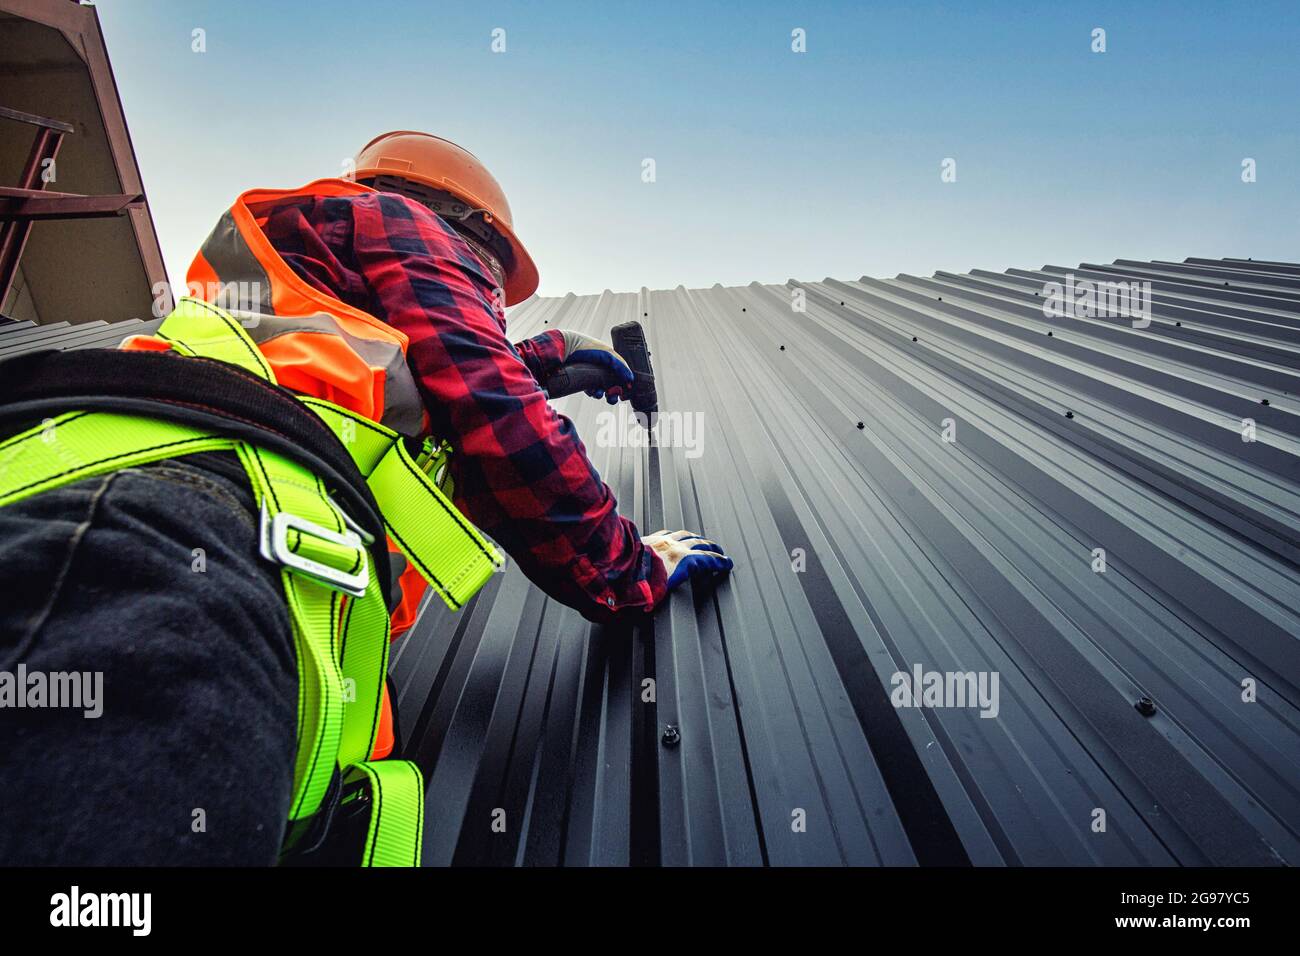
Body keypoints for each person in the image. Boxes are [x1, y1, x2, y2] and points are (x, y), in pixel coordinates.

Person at [0, 131, 731, 866]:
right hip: (173, 526)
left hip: (175, 516)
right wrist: (630, 568)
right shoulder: (398, 218)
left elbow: (407, 369)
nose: (487, 295)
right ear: (457, 221)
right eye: (487, 273)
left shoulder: (318, 276)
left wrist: (548, 358)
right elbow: (492, 408)